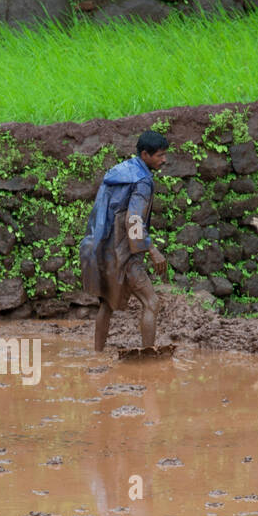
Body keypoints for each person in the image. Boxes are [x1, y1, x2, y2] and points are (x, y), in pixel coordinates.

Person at [79, 130, 169, 352]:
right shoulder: (143, 181)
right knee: (152, 303)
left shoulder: (118, 171)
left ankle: (97, 355)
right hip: (124, 253)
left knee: (106, 305)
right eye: (159, 155)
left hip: (101, 248)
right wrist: (152, 249)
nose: (163, 160)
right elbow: (133, 220)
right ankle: (148, 357)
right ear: (145, 155)